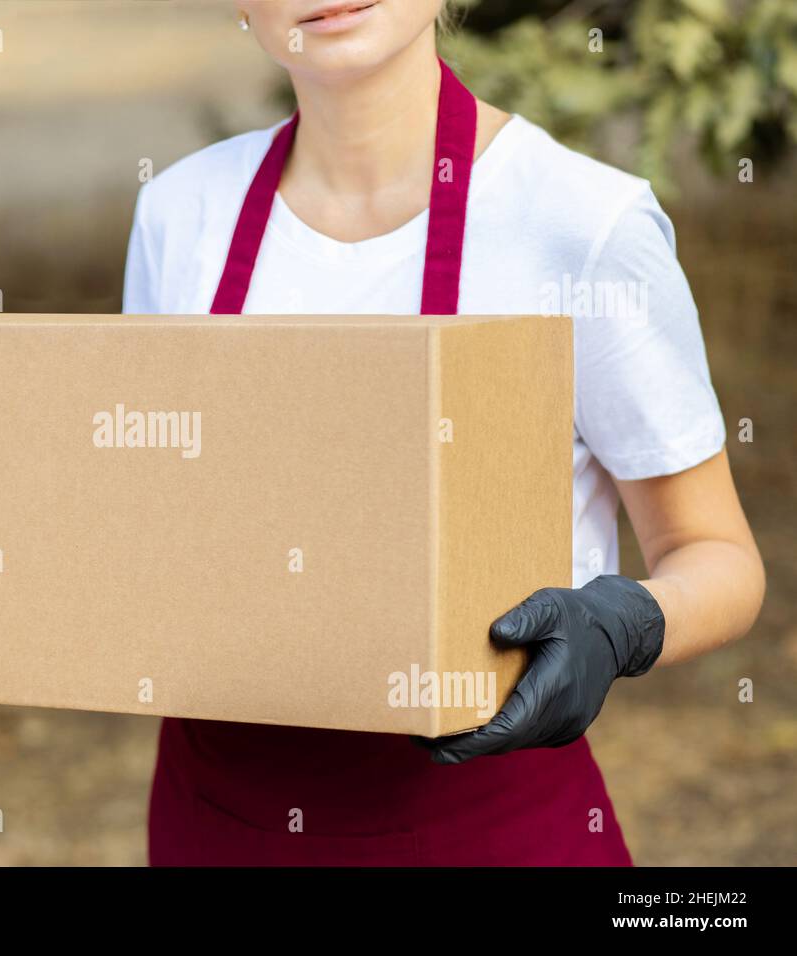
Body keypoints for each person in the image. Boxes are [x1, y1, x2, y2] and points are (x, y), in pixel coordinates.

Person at [118, 0, 765, 865]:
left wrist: (621, 627)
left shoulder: (583, 225)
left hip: (488, 826)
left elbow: (716, 554)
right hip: (217, 819)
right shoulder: (179, 213)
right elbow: (149, 533)